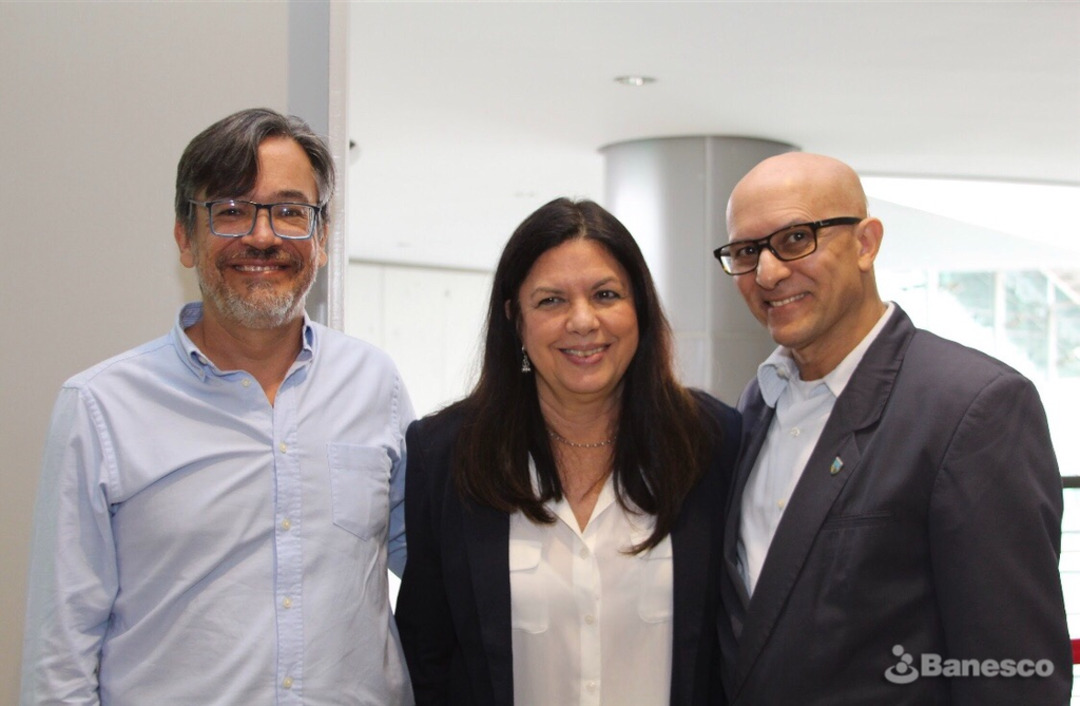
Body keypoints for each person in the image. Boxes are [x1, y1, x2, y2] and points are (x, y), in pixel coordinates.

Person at [20, 108, 414, 705]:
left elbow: (442, 569)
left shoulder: (374, 384)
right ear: (185, 237)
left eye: (289, 212)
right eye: (230, 210)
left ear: (322, 238)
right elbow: (61, 657)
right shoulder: (101, 407)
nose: (263, 236)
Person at [714, 152, 1071, 704]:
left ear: (865, 243)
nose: (767, 272)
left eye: (795, 239)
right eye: (745, 251)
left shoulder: (972, 407)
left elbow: (1016, 674)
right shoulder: (758, 403)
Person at [395, 197, 740, 705]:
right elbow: (427, 658)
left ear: (639, 308)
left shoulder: (711, 441)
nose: (583, 321)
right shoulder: (446, 454)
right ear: (516, 320)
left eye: (605, 294)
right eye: (551, 301)